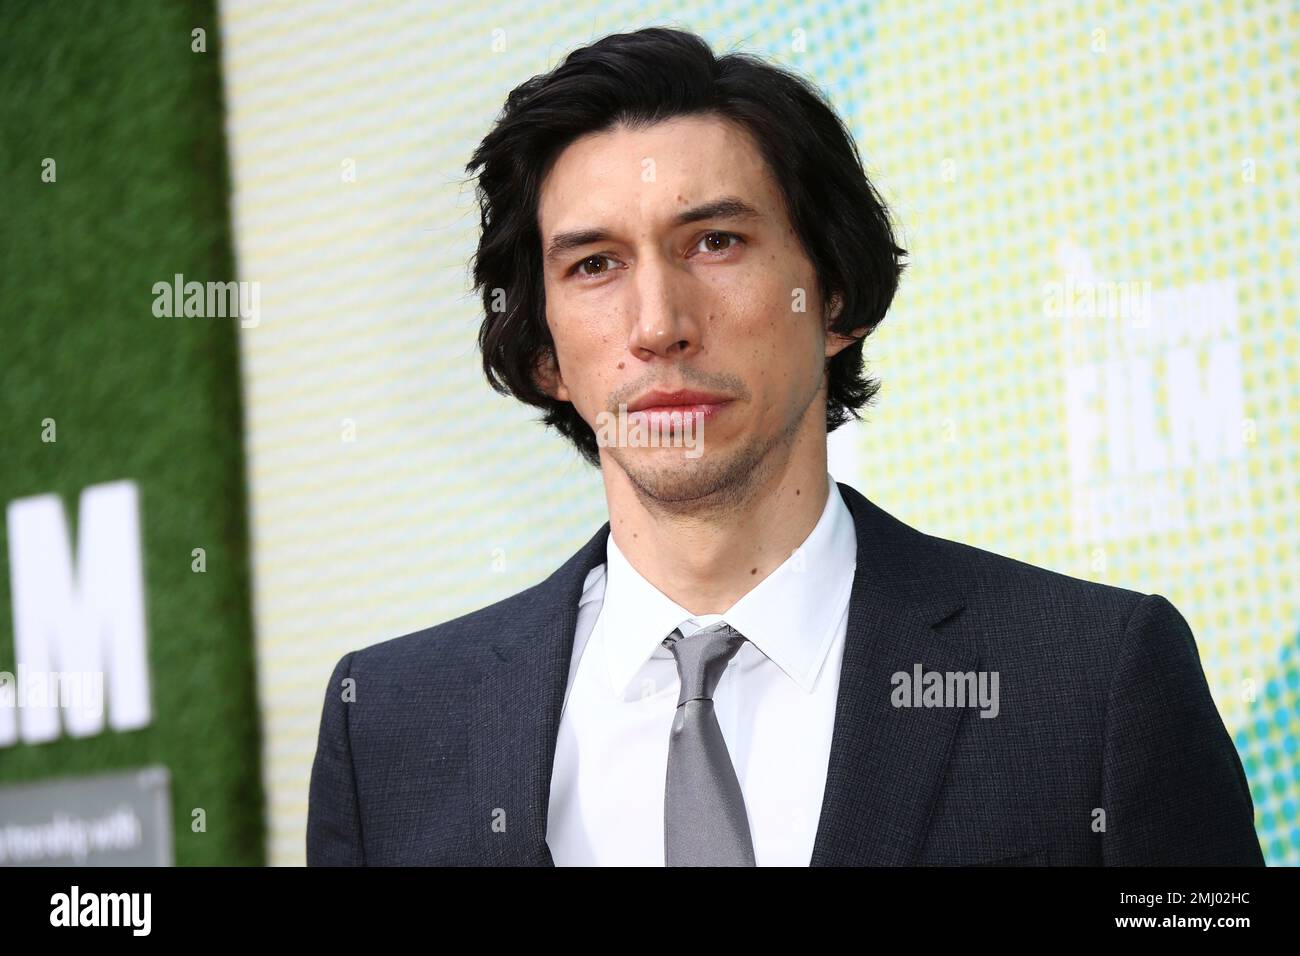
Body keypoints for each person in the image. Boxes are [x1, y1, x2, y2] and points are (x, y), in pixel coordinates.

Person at [307, 27, 1262, 866]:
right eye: (594, 265)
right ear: (546, 347)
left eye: (714, 242)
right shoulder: (389, 726)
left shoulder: (1090, 682)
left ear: (834, 294)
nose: (659, 323)